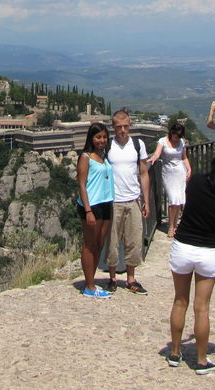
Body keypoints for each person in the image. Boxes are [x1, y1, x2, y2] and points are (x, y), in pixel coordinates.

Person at [167, 148, 215, 375]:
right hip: (208, 250)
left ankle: (174, 352)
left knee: (180, 301)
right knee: (202, 308)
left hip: (183, 246)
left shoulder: (196, 182)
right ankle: (201, 360)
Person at [105, 110, 151, 294]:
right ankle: (112, 278)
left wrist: (146, 200)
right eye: (118, 127)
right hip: (113, 201)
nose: (122, 130)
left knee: (134, 240)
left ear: (130, 125)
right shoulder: (108, 146)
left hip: (133, 199)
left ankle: (131, 279)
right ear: (113, 127)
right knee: (112, 242)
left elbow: (144, 172)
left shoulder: (138, 145)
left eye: (125, 126)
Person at [76, 122, 115, 298]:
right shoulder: (86, 157)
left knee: (99, 243)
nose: (102, 140)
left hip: (106, 202)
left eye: (104, 137)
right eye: (98, 137)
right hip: (92, 205)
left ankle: (92, 281)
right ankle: (89, 286)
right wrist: (88, 210)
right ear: (91, 138)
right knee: (89, 244)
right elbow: (82, 185)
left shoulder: (104, 155)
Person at [148, 121, 192, 240]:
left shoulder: (181, 142)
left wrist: (189, 169)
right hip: (168, 173)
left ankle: (174, 224)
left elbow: (184, 157)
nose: (177, 138)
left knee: (178, 200)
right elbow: (157, 153)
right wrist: (153, 158)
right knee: (173, 199)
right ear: (171, 133)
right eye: (175, 136)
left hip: (180, 172)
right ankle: (171, 226)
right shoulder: (163, 141)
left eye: (179, 136)